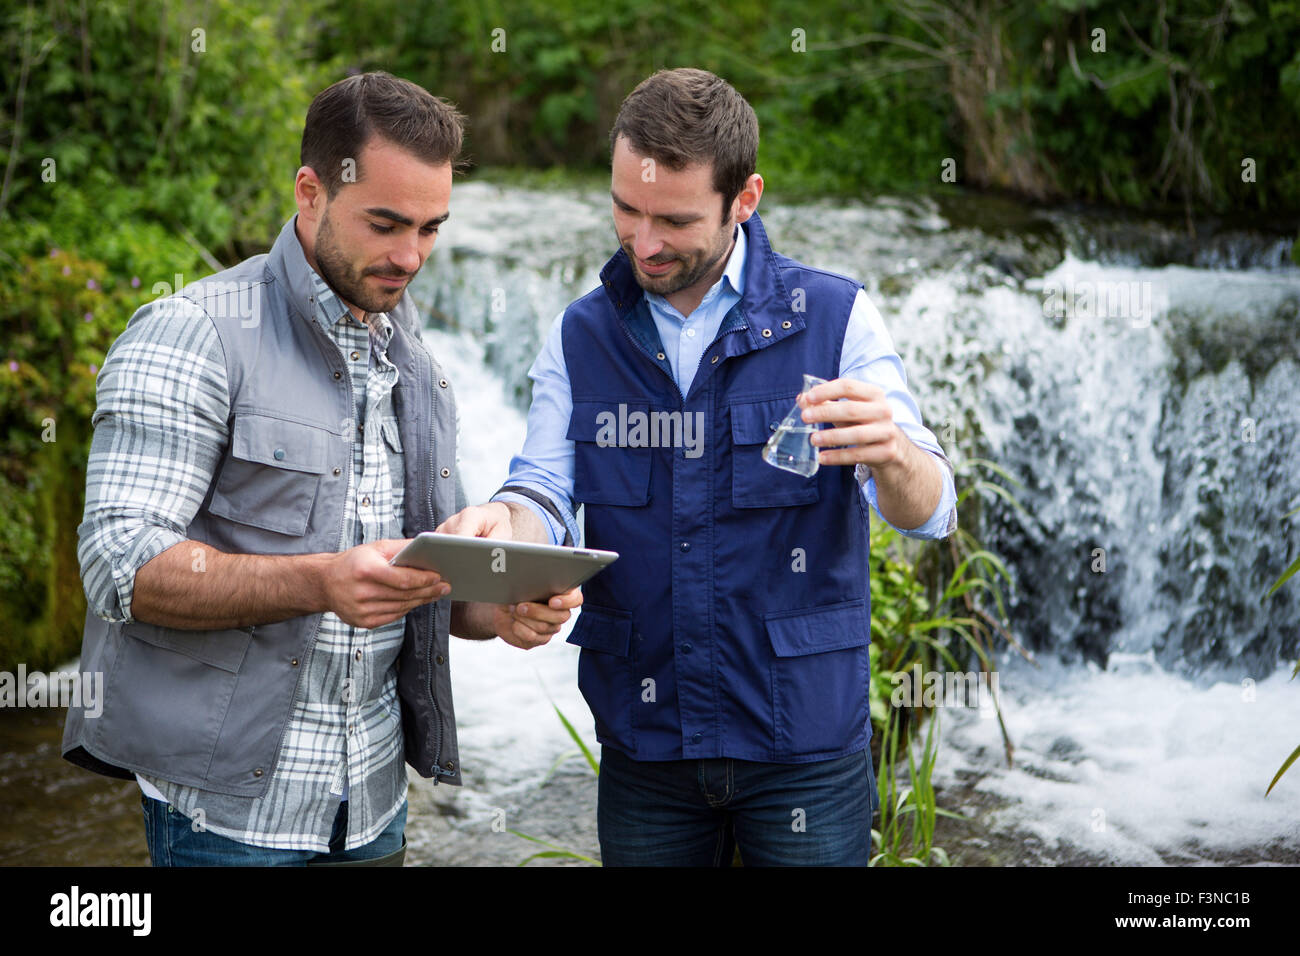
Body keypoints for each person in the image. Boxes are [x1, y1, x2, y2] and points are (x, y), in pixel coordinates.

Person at [441, 68, 957, 866]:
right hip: (647, 749)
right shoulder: (580, 335)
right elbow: (542, 487)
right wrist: (500, 530)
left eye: (674, 220)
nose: (644, 242)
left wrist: (892, 452)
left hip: (804, 752)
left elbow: (930, 510)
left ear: (744, 199)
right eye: (625, 209)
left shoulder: (837, 317)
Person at [61, 71, 579, 867]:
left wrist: (501, 613)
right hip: (229, 822)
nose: (411, 256)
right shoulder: (191, 333)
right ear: (310, 191)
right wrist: (320, 580)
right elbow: (117, 565)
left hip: (374, 810)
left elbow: (433, 576)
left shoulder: (419, 365)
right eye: (386, 223)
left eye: (432, 228)